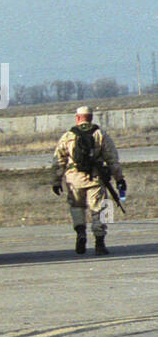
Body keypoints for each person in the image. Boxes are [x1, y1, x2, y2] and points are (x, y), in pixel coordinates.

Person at [51, 106, 126, 255]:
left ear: (77, 118)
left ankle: (80, 233)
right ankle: (100, 243)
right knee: (100, 208)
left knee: (77, 207)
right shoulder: (100, 134)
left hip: (74, 178)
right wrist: (119, 179)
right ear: (91, 118)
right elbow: (112, 159)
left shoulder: (68, 135)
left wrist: (56, 181)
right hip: (95, 178)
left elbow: (58, 160)